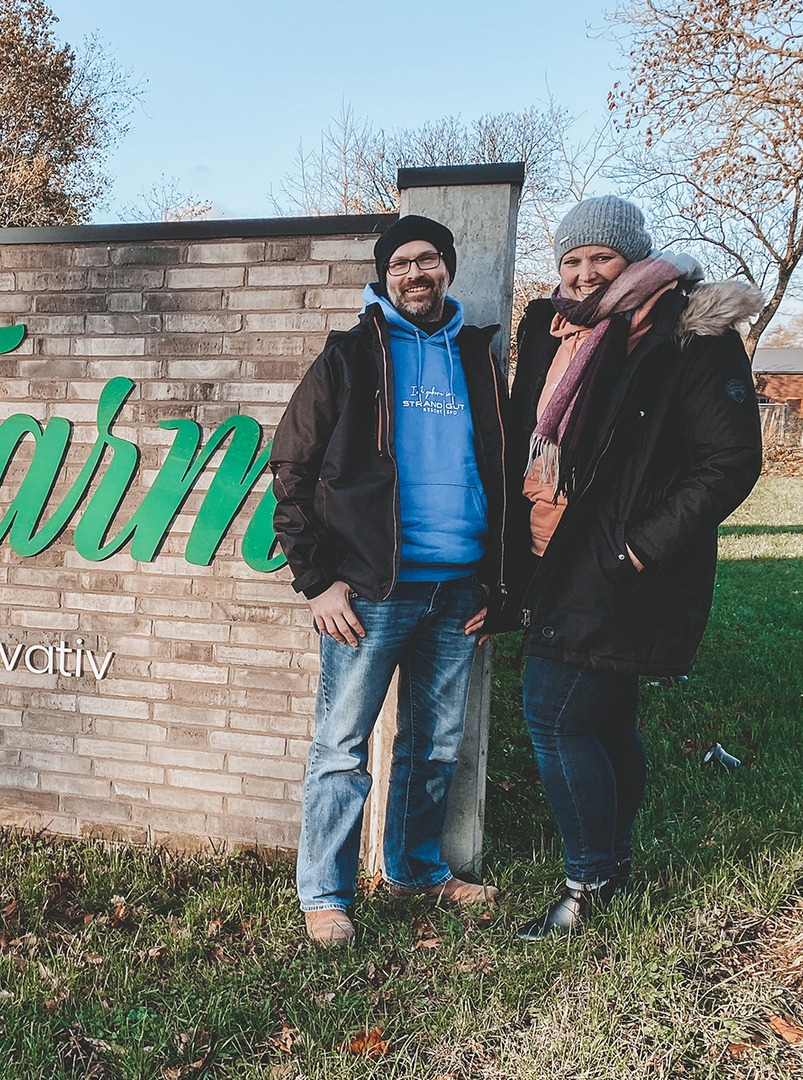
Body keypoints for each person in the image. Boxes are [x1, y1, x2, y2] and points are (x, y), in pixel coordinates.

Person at [507, 196, 762, 939]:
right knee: (607, 716)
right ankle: (612, 869)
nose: (585, 273)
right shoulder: (558, 331)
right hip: (553, 552)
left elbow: (730, 461)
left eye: (602, 258)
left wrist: (640, 546)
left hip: (615, 562)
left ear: (635, 259)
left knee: (553, 717)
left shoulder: (688, 334)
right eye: (572, 260)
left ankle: (587, 884)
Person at [271, 214, 510, 948]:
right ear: (384, 276)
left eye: (427, 259)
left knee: (434, 745)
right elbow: (291, 470)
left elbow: (503, 473)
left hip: (458, 591)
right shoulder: (350, 356)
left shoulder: (478, 357)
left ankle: (415, 870)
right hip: (371, 592)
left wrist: (499, 584)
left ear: (447, 268)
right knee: (342, 750)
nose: (415, 273)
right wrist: (318, 583)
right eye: (401, 263)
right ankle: (325, 894)